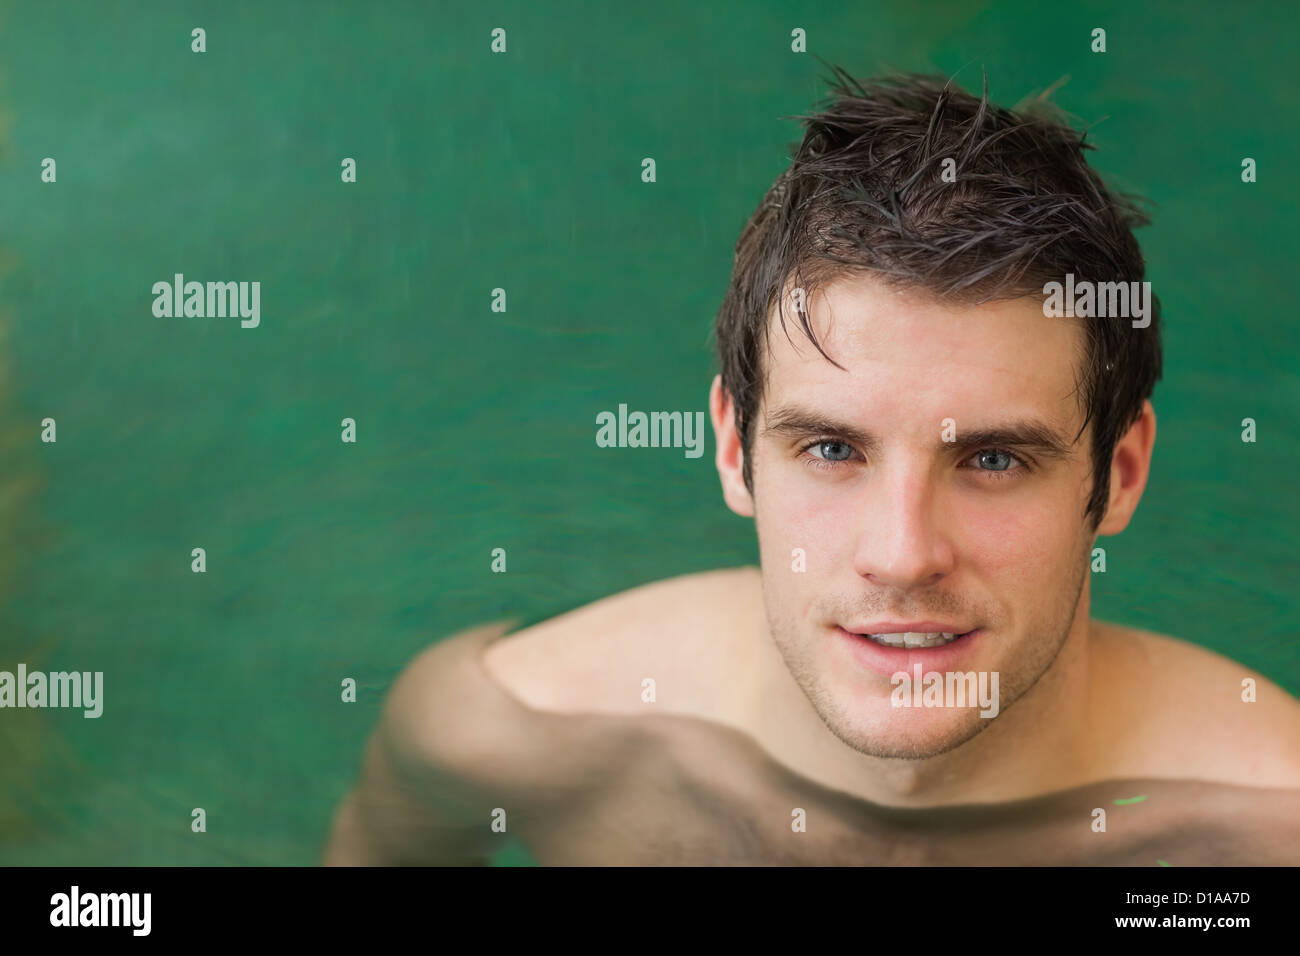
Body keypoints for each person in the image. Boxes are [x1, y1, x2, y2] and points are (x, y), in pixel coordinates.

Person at [324, 69, 1300, 865]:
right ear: (732, 445)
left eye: (993, 457)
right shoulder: (497, 728)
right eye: (832, 448)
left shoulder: (1263, 827)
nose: (902, 552)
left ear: (1120, 473)